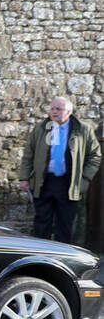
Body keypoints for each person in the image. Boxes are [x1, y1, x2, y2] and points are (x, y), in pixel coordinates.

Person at [19, 95, 101, 243]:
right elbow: (28, 155)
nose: (54, 112)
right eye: (52, 108)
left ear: (69, 112)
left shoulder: (83, 130)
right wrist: (24, 178)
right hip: (44, 182)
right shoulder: (41, 128)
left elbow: (95, 156)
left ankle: (61, 259)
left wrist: (84, 180)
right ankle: (40, 257)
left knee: (65, 225)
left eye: (58, 109)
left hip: (69, 183)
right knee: (41, 223)